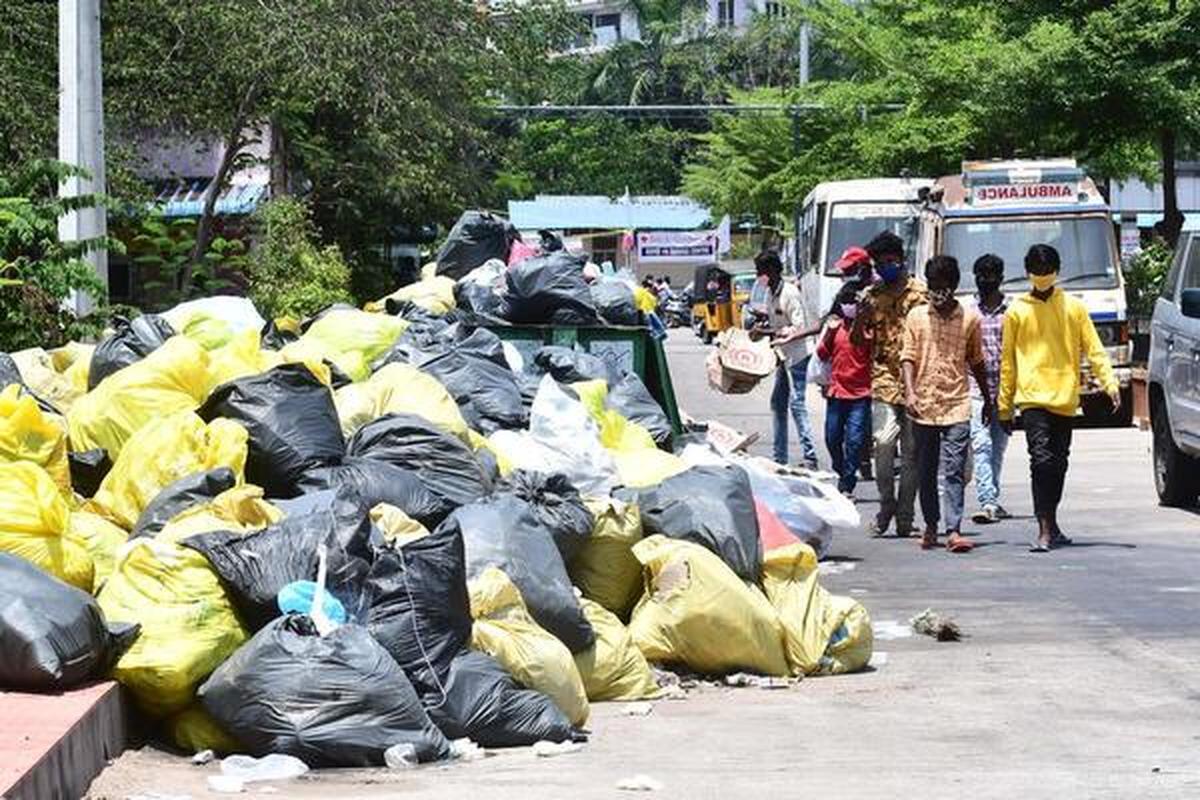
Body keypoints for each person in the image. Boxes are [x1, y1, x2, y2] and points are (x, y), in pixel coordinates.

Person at [999, 244, 1119, 552]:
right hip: (1031, 398)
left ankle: (1051, 522)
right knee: (1041, 460)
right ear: (1028, 273)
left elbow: (1093, 348)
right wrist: (1004, 406)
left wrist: (1110, 382)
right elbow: (1008, 361)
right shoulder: (1016, 311)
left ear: (1057, 271)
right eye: (1037, 272)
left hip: (1065, 397)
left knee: (1059, 463)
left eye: (1047, 271)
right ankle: (1043, 526)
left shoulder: (1073, 307)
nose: (1042, 277)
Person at [900, 256, 993, 553]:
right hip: (925, 405)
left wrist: (988, 400)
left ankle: (953, 529)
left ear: (953, 287)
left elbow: (977, 361)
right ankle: (930, 526)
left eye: (943, 287)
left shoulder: (969, 319)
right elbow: (908, 358)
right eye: (933, 287)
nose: (937, 293)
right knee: (926, 470)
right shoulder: (916, 317)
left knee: (953, 469)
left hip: (957, 404)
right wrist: (911, 393)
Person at [853, 230, 927, 537]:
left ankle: (905, 518)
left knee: (912, 454)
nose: (885, 267)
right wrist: (859, 317)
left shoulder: (921, 295)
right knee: (883, 444)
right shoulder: (872, 297)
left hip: (917, 382)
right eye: (879, 263)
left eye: (889, 261)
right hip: (883, 380)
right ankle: (887, 504)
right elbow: (858, 342)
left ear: (901, 259)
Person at [755, 249, 821, 469]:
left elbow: (799, 327)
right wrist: (762, 329)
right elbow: (775, 325)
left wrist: (771, 333)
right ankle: (780, 457)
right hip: (784, 356)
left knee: (797, 404)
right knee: (778, 403)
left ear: (772, 271)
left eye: (761, 272)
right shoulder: (770, 293)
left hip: (798, 354)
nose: (759, 277)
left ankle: (810, 456)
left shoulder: (790, 293)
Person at [967, 254, 1011, 524]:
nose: (986, 281)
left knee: (998, 447)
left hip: (1005, 389)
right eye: (981, 277)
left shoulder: (1013, 312)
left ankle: (992, 496)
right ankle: (988, 501)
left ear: (1000, 279)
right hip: (975, 388)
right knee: (981, 445)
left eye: (991, 276)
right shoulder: (969, 312)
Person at [817, 283, 873, 497]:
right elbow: (822, 355)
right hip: (837, 392)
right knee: (832, 437)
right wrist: (830, 334)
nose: (849, 306)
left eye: (853, 302)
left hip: (861, 394)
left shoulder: (868, 329)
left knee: (855, 440)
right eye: (845, 302)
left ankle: (847, 483)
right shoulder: (835, 328)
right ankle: (842, 470)